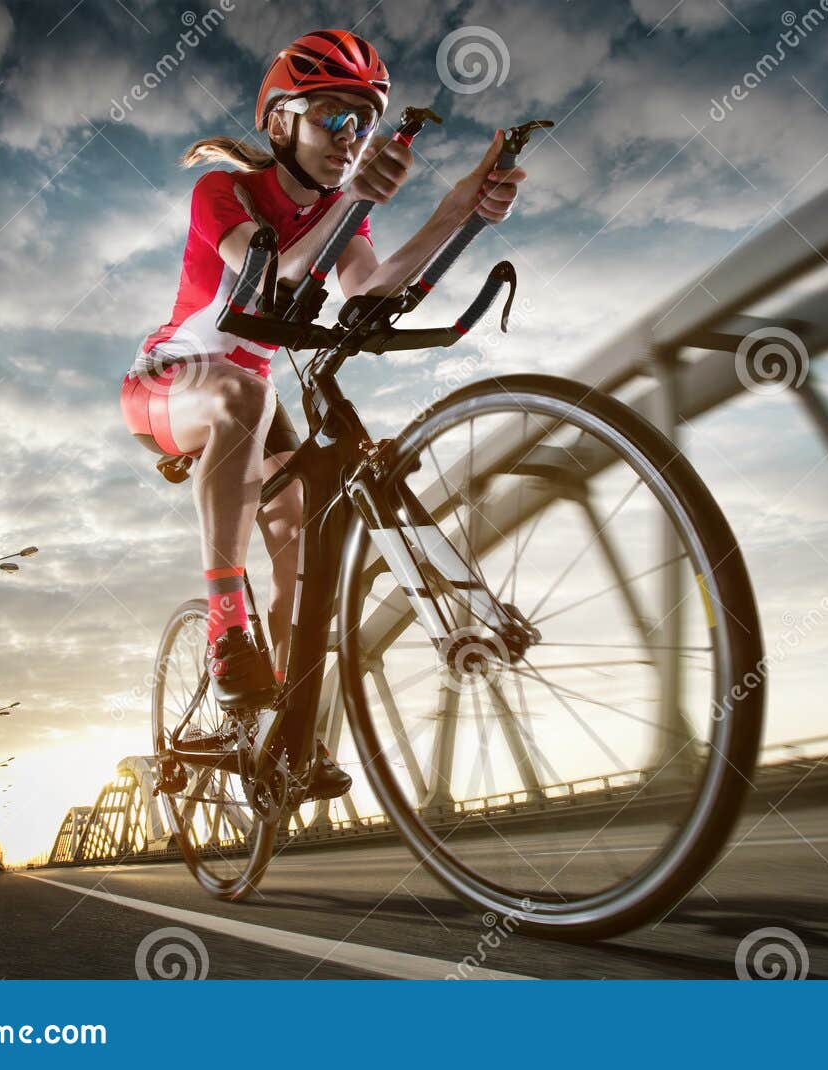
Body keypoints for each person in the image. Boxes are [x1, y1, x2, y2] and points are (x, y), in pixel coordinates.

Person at [119, 30, 526, 798]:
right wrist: (358, 204)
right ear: (281, 125)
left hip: (252, 391)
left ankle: (285, 730)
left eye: (363, 123)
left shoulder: (346, 207)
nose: (351, 139)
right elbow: (265, 282)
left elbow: (369, 286)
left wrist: (452, 211)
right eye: (333, 118)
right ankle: (222, 628)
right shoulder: (223, 195)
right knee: (244, 391)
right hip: (171, 381)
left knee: (300, 544)